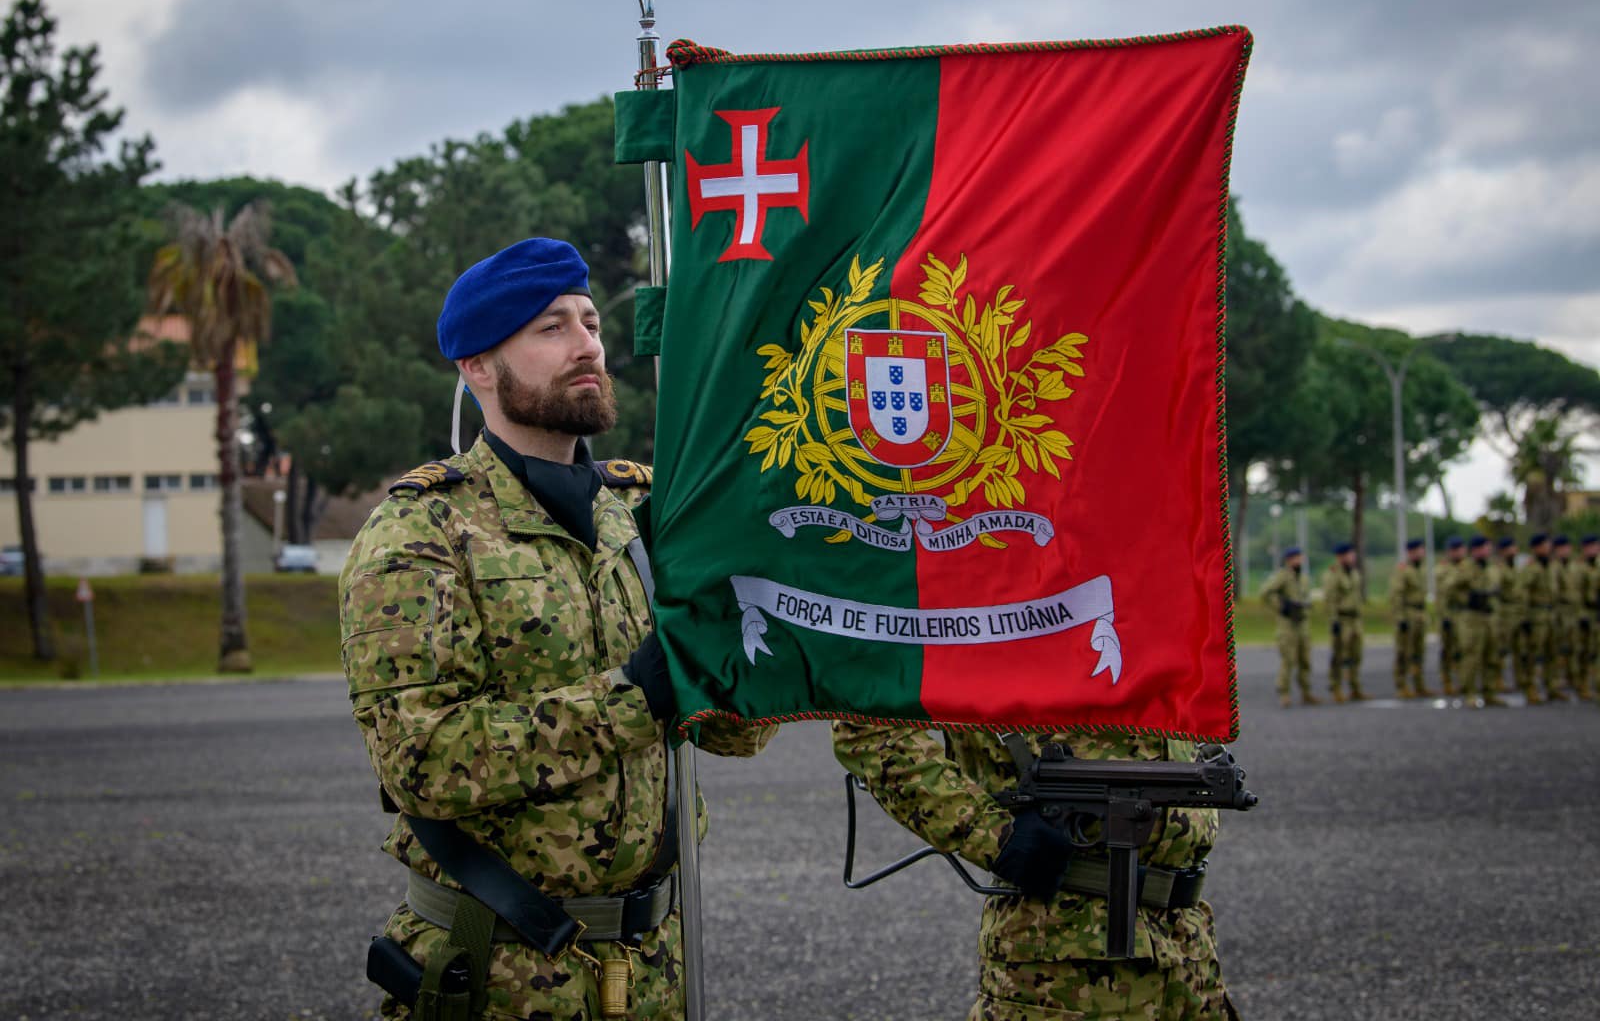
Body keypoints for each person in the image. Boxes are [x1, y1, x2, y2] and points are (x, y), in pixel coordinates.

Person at [339, 237, 771, 1020]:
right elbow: (421, 760)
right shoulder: (421, 533)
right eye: (551, 328)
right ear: (476, 367)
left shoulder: (642, 515)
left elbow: (722, 737)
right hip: (499, 968)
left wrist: (753, 666)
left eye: (591, 323)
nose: (587, 347)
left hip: (656, 965)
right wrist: (635, 699)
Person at [831, 722, 1237, 1019]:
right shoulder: (976, 606)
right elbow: (865, 724)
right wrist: (991, 833)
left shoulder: (1153, 610)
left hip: (1189, 947)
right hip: (1061, 951)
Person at [1449, 537, 1504, 707]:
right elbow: (1450, 587)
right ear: (1474, 550)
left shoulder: (1492, 568)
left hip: (1488, 616)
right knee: (1471, 655)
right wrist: (1465, 598)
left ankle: (1490, 692)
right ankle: (1469, 692)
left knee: (1492, 655)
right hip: (1471, 617)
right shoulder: (1465, 568)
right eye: (1482, 548)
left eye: (1487, 548)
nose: (1486, 551)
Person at [1262, 546, 1318, 707]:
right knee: (1289, 659)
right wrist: (1281, 606)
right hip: (1288, 625)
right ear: (1289, 560)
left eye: (1301, 557)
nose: (1299, 561)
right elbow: (1266, 592)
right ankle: (1284, 693)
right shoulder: (1283, 576)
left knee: (1305, 659)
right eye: (1296, 558)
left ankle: (1306, 692)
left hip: (1302, 623)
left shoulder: (1304, 578)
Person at [1518, 533, 1560, 703]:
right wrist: (1525, 617)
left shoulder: (1552, 565)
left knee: (1552, 653)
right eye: (1545, 544)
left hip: (1550, 615)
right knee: (1533, 654)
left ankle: (1552, 687)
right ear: (1536, 548)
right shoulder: (1531, 568)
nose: (1548, 546)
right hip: (1536, 615)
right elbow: (1522, 593)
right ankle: (1531, 689)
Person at [1323, 542, 1366, 702]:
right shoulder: (1333, 574)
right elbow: (1330, 599)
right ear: (1340, 557)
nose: (1352, 557)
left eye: (1352, 554)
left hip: (1355, 619)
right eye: (1349, 554)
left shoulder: (1354, 573)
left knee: (1356, 654)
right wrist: (1334, 620)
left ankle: (1355, 687)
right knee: (1339, 655)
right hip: (1342, 619)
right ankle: (1336, 687)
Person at [1388, 538, 1430, 699]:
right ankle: (1401, 685)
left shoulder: (1422, 569)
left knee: (1419, 652)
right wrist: (1400, 618)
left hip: (1420, 614)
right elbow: (1395, 595)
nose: (1422, 552)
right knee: (1404, 652)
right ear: (1411, 552)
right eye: (1420, 549)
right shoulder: (1403, 570)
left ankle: (1419, 685)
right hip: (1408, 614)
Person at [1490, 536, 1522, 697]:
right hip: (1503, 614)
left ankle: (1521, 679)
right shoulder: (1498, 569)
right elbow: (1494, 591)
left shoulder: (1516, 568)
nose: (1515, 550)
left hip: (1517, 612)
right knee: (1501, 649)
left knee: (1520, 648)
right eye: (1511, 547)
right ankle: (1497, 679)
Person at [1435, 537, 1466, 696]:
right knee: (1447, 650)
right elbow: (1442, 595)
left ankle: (1463, 680)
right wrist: (1444, 616)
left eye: (1460, 549)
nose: (1458, 552)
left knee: (1463, 649)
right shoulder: (1443, 569)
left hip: (1465, 615)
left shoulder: (1468, 567)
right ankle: (1446, 681)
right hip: (1449, 614)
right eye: (1455, 550)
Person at [1551, 536, 1580, 698]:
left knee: (1577, 647)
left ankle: (1575, 679)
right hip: (1558, 612)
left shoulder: (1576, 566)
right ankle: (1556, 681)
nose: (1566, 550)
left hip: (1575, 611)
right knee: (1557, 648)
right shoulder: (1552, 567)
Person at [1579, 535, 1600, 701]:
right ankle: (1586, 686)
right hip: (1588, 612)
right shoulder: (1579, 568)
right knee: (1587, 651)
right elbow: (1577, 595)